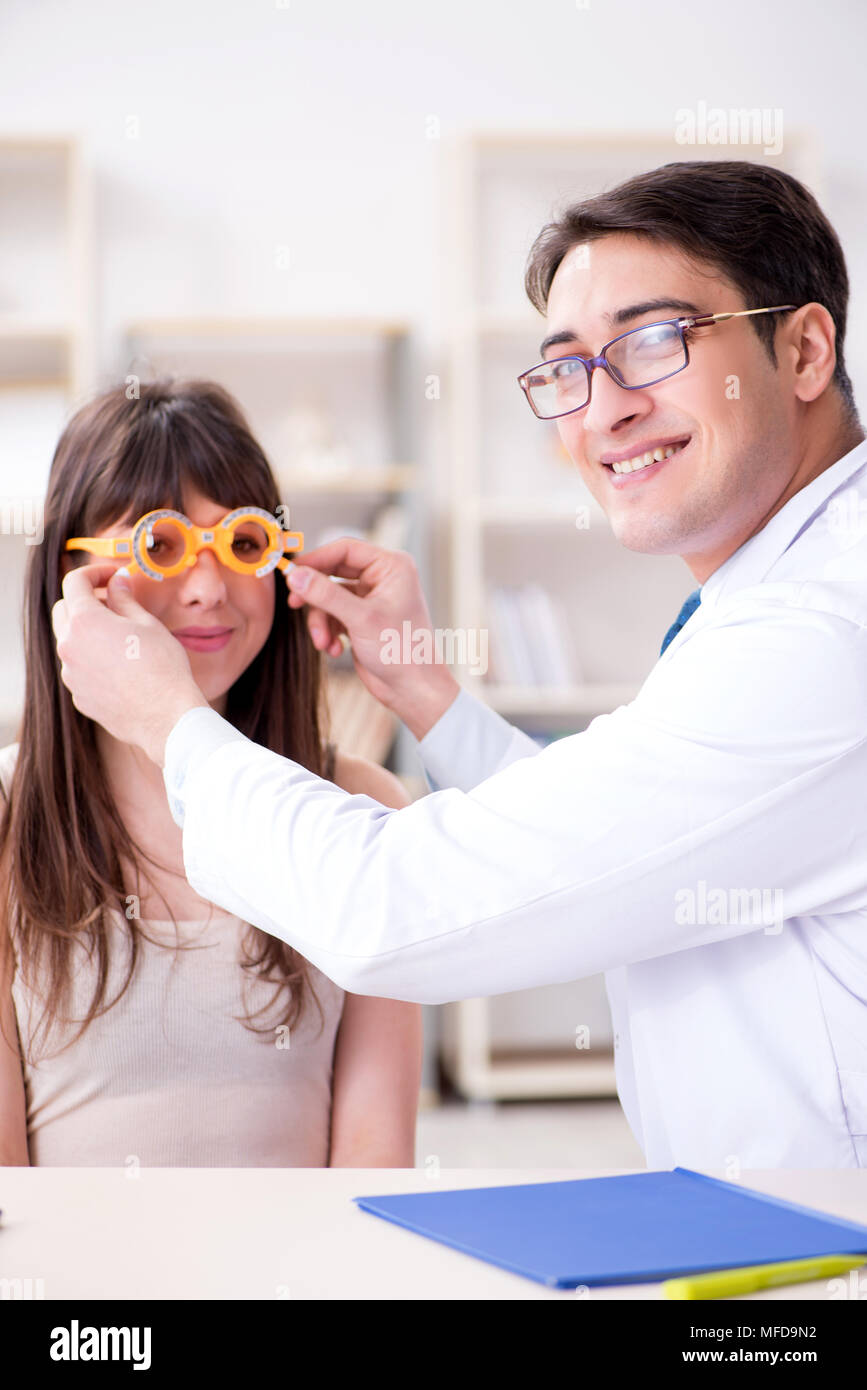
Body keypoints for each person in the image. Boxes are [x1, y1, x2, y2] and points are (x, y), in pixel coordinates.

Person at [52, 161, 867, 1170]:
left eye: (652, 343)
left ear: (803, 347)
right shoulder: (779, 612)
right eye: (569, 368)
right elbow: (609, 840)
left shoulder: (819, 636)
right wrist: (425, 690)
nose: (600, 413)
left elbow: (395, 908)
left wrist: (169, 723)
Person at [0, 379, 422, 1167]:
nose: (205, 589)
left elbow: (375, 1162)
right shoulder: (6, 815)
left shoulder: (362, 809)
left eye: (242, 544)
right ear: (72, 579)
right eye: (158, 547)